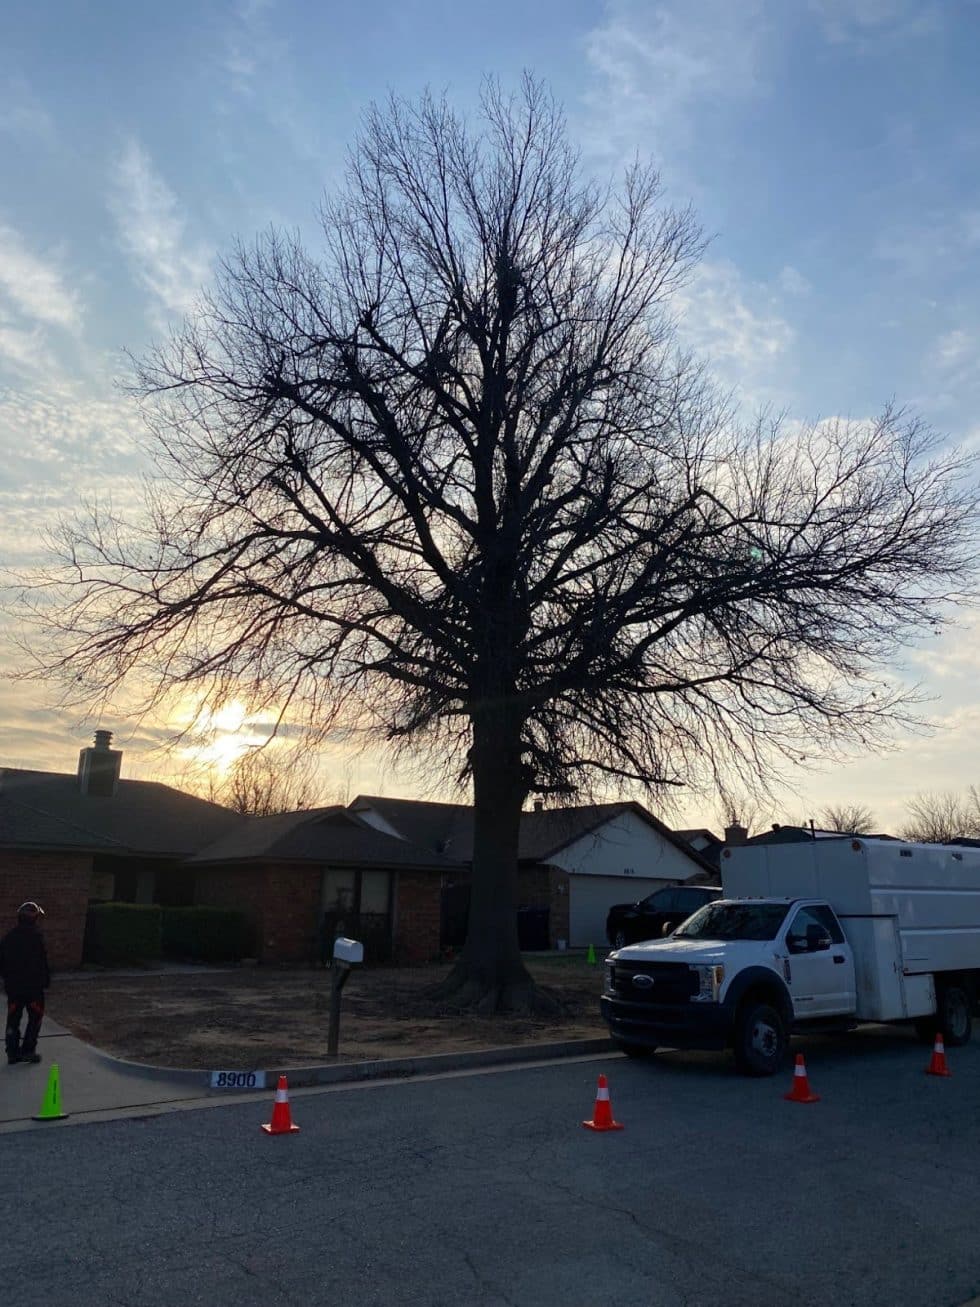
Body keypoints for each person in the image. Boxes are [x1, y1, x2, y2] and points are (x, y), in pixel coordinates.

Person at [0, 901, 50, 1065]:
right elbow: (42, 963)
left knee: (13, 1019)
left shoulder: (9, 937)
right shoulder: (37, 937)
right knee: (35, 1018)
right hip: (33, 989)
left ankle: (12, 1052)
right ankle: (28, 1050)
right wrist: (45, 981)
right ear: (34, 918)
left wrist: (7, 980)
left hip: (14, 988)